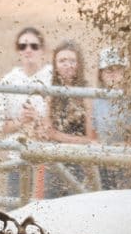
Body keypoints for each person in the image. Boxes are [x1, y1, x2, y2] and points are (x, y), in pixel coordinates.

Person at [0, 26, 52, 198]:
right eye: (23, 46)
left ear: (42, 49)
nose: (28, 50)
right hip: (17, 155)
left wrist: (37, 118)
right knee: (16, 207)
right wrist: (21, 120)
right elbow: (1, 126)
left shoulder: (53, 77)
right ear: (18, 50)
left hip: (48, 158)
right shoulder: (7, 81)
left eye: (34, 46)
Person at [41, 39, 96, 198]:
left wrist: (58, 136)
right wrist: (55, 135)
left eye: (72, 60)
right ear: (55, 65)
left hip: (79, 161)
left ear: (79, 64)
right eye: (62, 61)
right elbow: (47, 132)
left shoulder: (86, 94)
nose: (67, 65)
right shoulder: (52, 93)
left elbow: (90, 139)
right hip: (55, 161)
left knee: (77, 203)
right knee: (50, 204)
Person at [92, 47, 131, 190]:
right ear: (101, 74)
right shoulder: (96, 100)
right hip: (106, 166)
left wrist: (111, 148)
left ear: (126, 73)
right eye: (109, 70)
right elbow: (93, 137)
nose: (114, 75)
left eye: (119, 70)